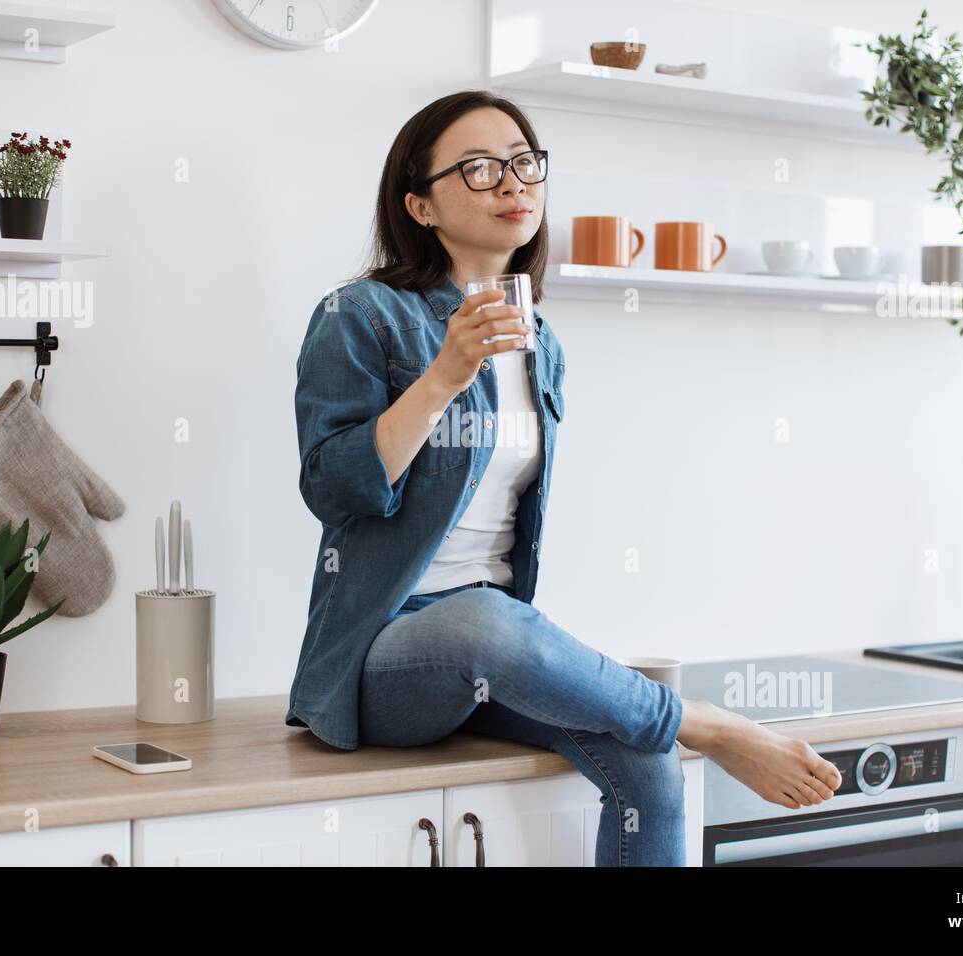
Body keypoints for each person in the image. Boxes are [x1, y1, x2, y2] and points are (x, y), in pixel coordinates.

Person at [289, 90, 842, 866]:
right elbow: (334, 490)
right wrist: (445, 375)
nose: (513, 184)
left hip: (498, 645)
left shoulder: (538, 340)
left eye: (524, 163)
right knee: (485, 624)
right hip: (384, 655)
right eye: (479, 169)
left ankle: (670, 726)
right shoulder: (360, 315)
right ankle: (709, 725)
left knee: (645, 763)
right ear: (419, 204)